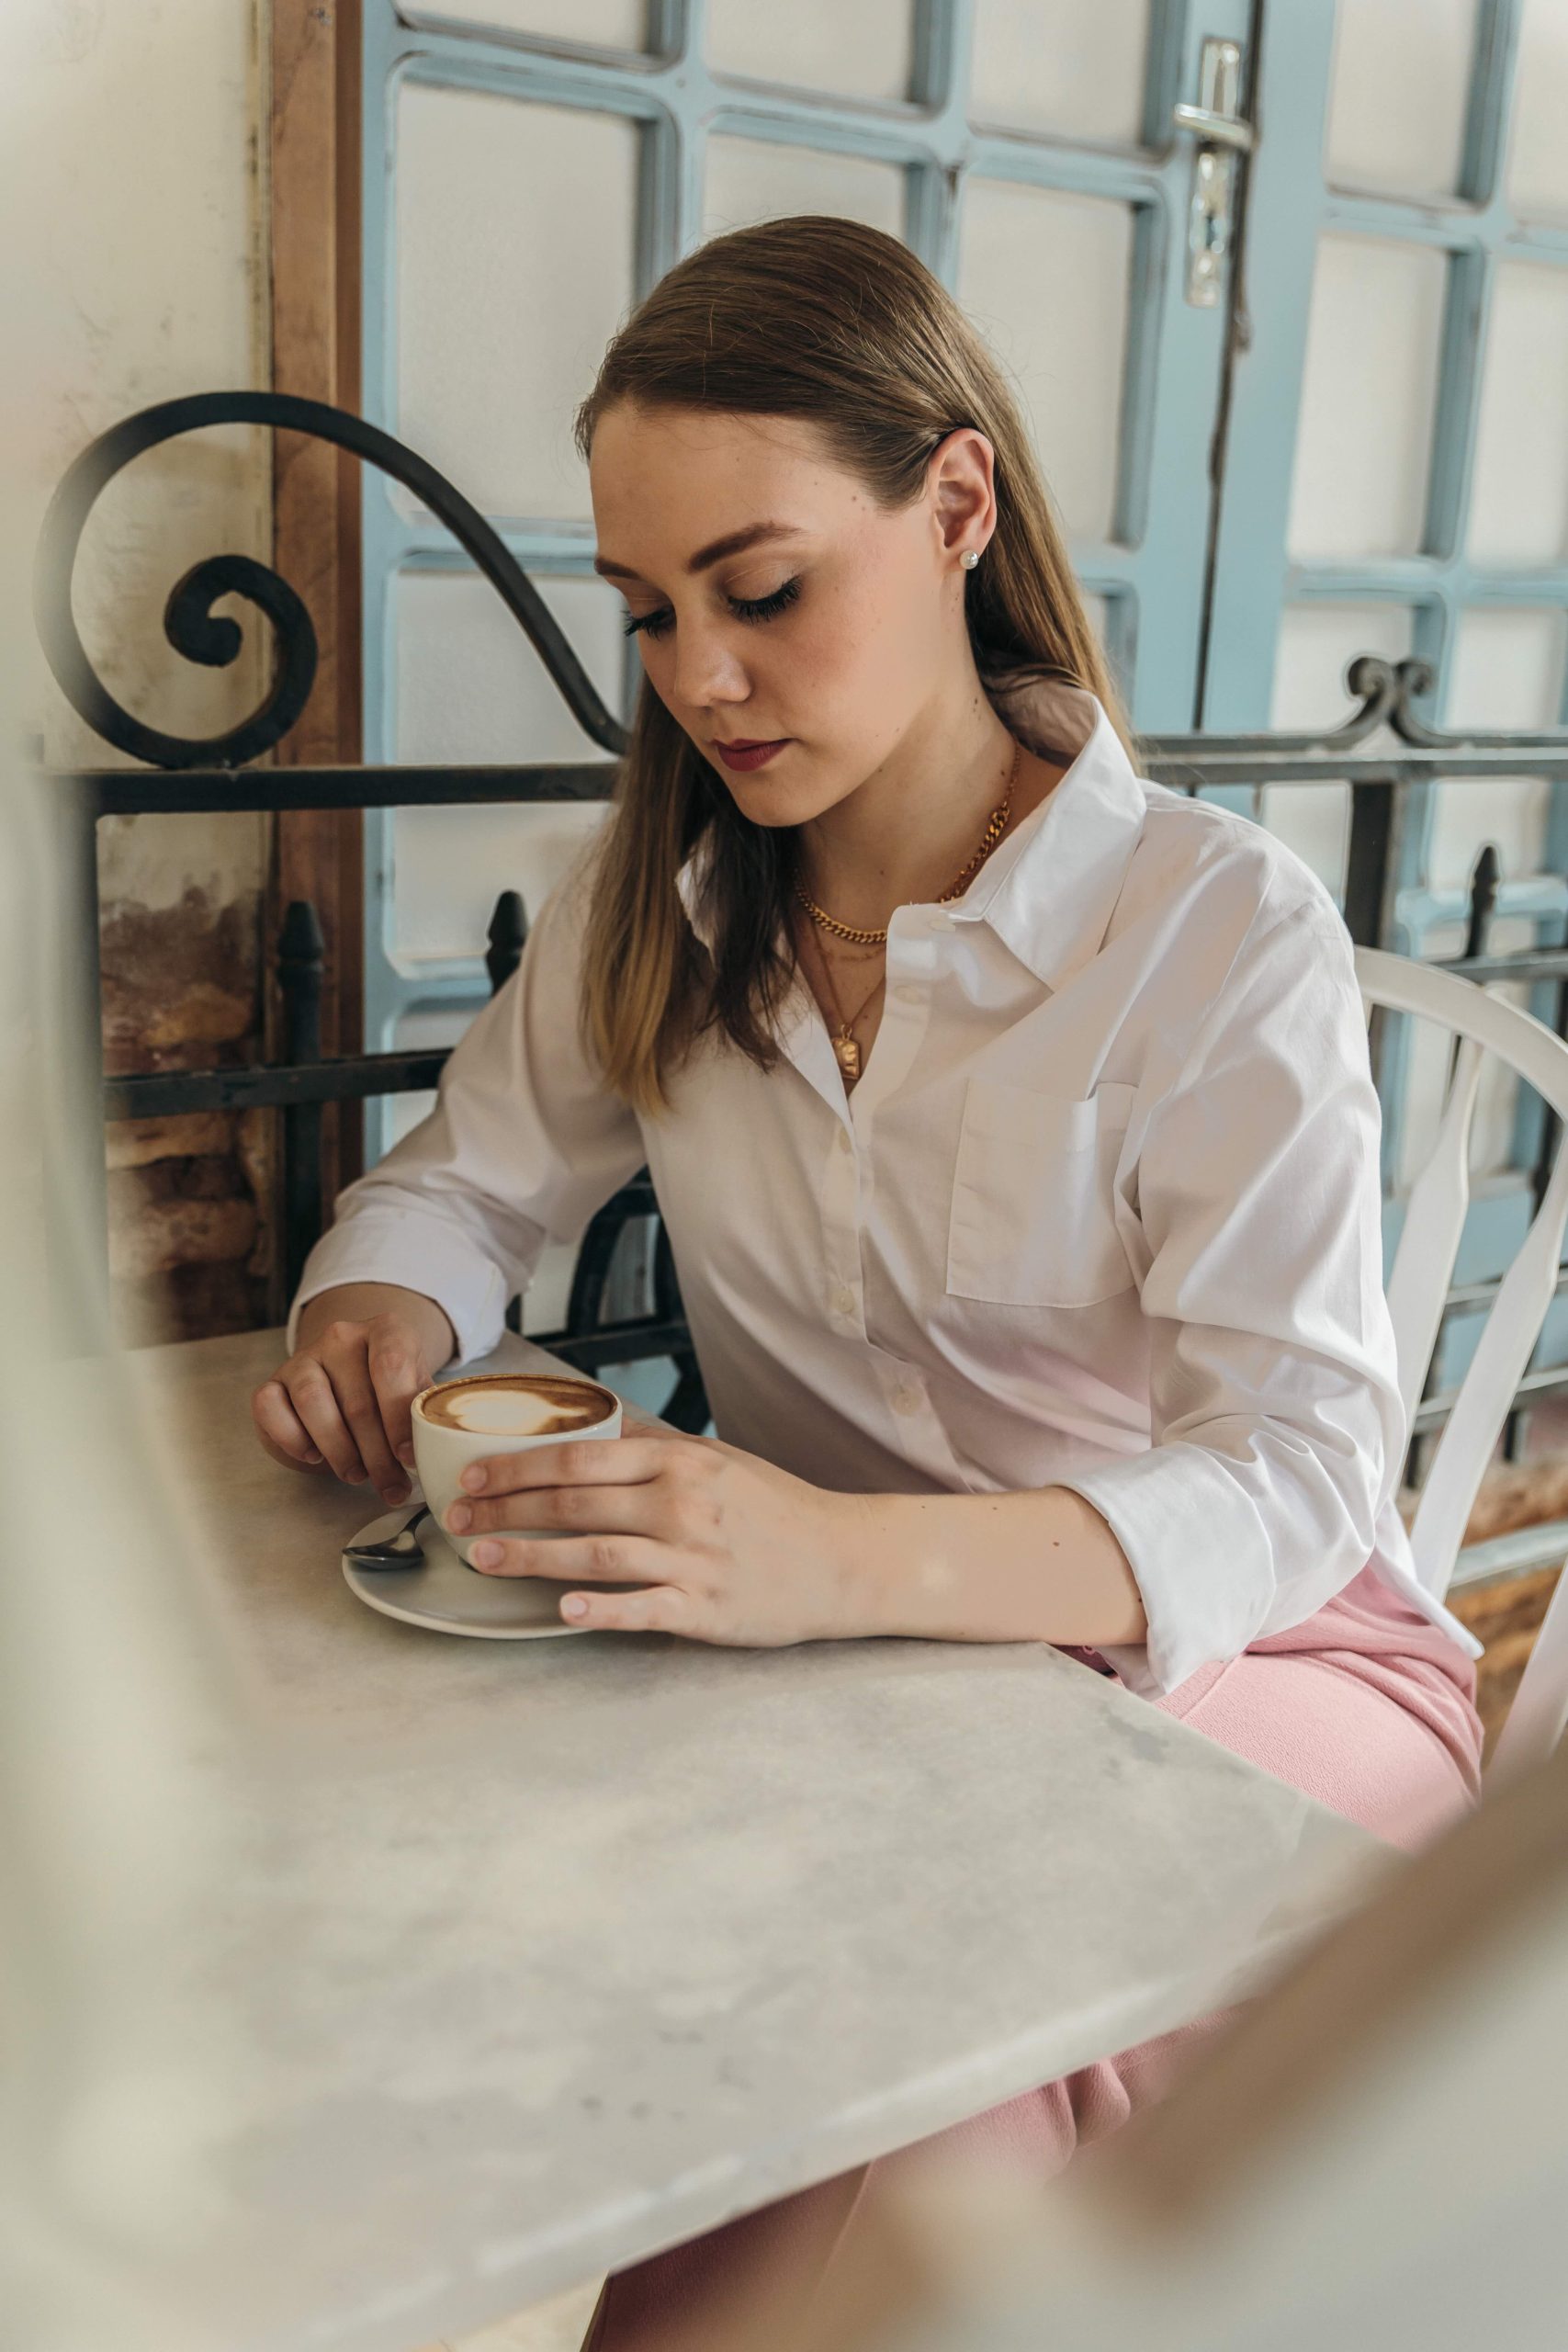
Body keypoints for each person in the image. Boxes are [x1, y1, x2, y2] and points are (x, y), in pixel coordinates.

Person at [251, 216, 1486, 2349]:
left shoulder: (1212, 930)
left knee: (943, 2008)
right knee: (890, 2002)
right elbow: (457, 1185)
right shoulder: (662, 908)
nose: (696, 677)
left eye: (761, 589)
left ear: (953, 505)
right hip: (856, 1693)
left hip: (1262, 1673)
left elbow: (1299, 1472)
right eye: (649, 610)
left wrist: (827, 1556)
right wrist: (379, 1313)